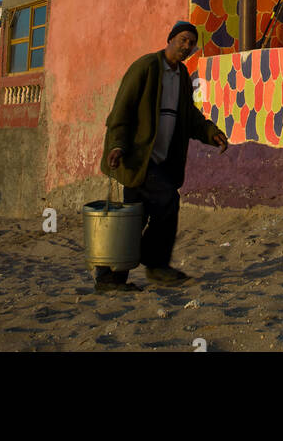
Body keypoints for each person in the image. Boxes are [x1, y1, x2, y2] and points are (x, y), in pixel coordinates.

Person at [95, 21, 228, 292]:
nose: (187, 46)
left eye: (191, 42)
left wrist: (210, 133)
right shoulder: (145, 67)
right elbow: (122, 110)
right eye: (182, 39)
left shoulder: (181, 76)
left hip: (163, 160)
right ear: (169, 39)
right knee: (167, 201)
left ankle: (110, 278)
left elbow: (188, 115)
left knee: (136, 217)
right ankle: (155, 265)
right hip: (138, 159)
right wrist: (117, 146)